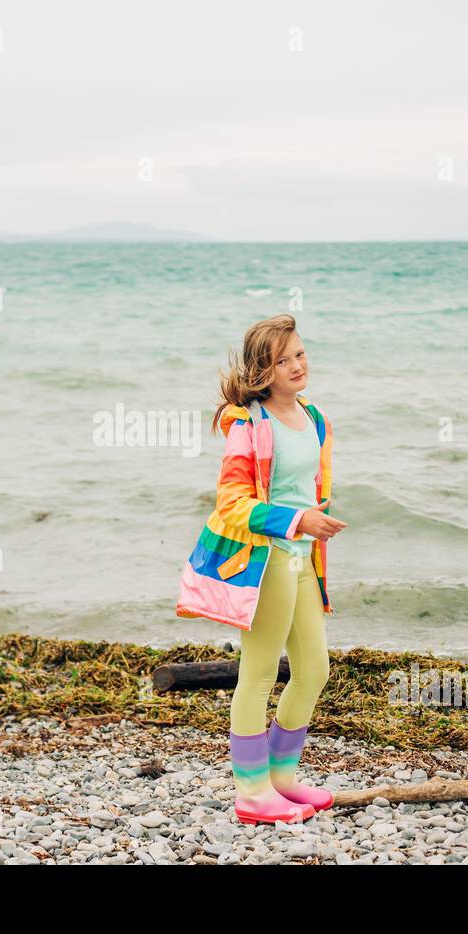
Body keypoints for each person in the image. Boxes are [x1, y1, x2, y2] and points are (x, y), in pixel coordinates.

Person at [175, 313, 347, 825]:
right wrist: (298, 519)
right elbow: (231, 505)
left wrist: (310, 524)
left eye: (299, 353)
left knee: (314, 671)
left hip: (303, 563)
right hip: (267, 560)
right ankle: (251, 794)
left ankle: (281, 778)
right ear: (262, 370)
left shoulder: (313, 416)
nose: (297, 365)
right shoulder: (250, 426)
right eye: (282, 360)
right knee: (259, 674)